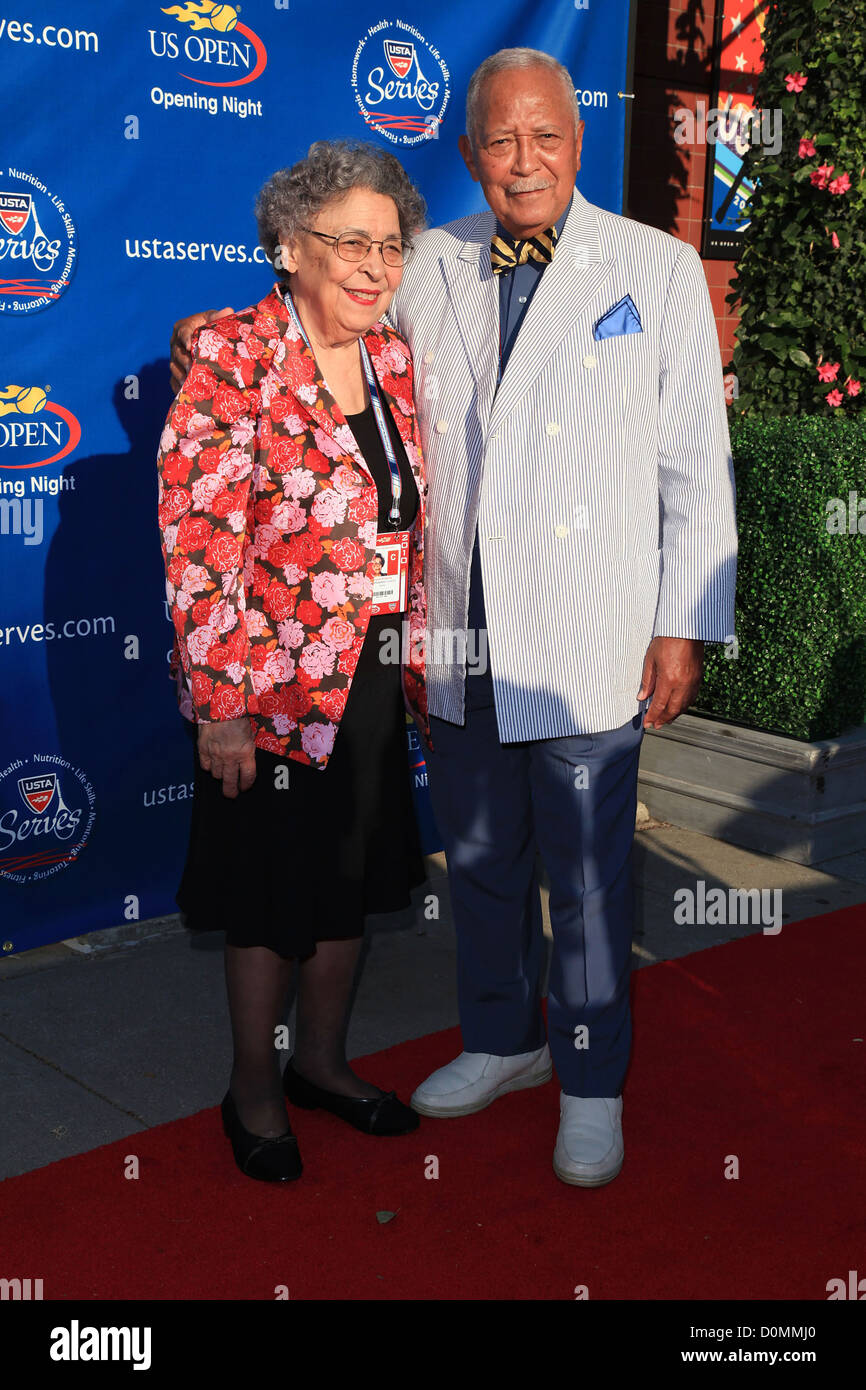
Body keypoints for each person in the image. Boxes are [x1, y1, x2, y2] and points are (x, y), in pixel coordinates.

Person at [170, 48, 738, 1189]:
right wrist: (210, 329)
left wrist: (682, 623)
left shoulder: (659, 268)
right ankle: (500, 1037)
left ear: (575, 142)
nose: (522, 161)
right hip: (447, 639)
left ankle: (587, 1082)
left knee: (582, 880)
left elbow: (692, 461)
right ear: (470, 149)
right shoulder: (424, 259)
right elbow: (315, 303)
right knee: (477, 858)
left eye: (546, 137)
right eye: (498, 140)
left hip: (586, 630)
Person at [157, 140, 430, 1183]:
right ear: (287, 249)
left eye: (389, 246)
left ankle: (321, 1064)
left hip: (372, 677)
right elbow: (196, 538)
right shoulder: (232, 356)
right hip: (267, 688)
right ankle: (254, 1088)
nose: (373, 265)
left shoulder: (395, 359)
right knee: (271, 895)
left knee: (351, 881)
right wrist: (220, 705)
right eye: (349, 243)